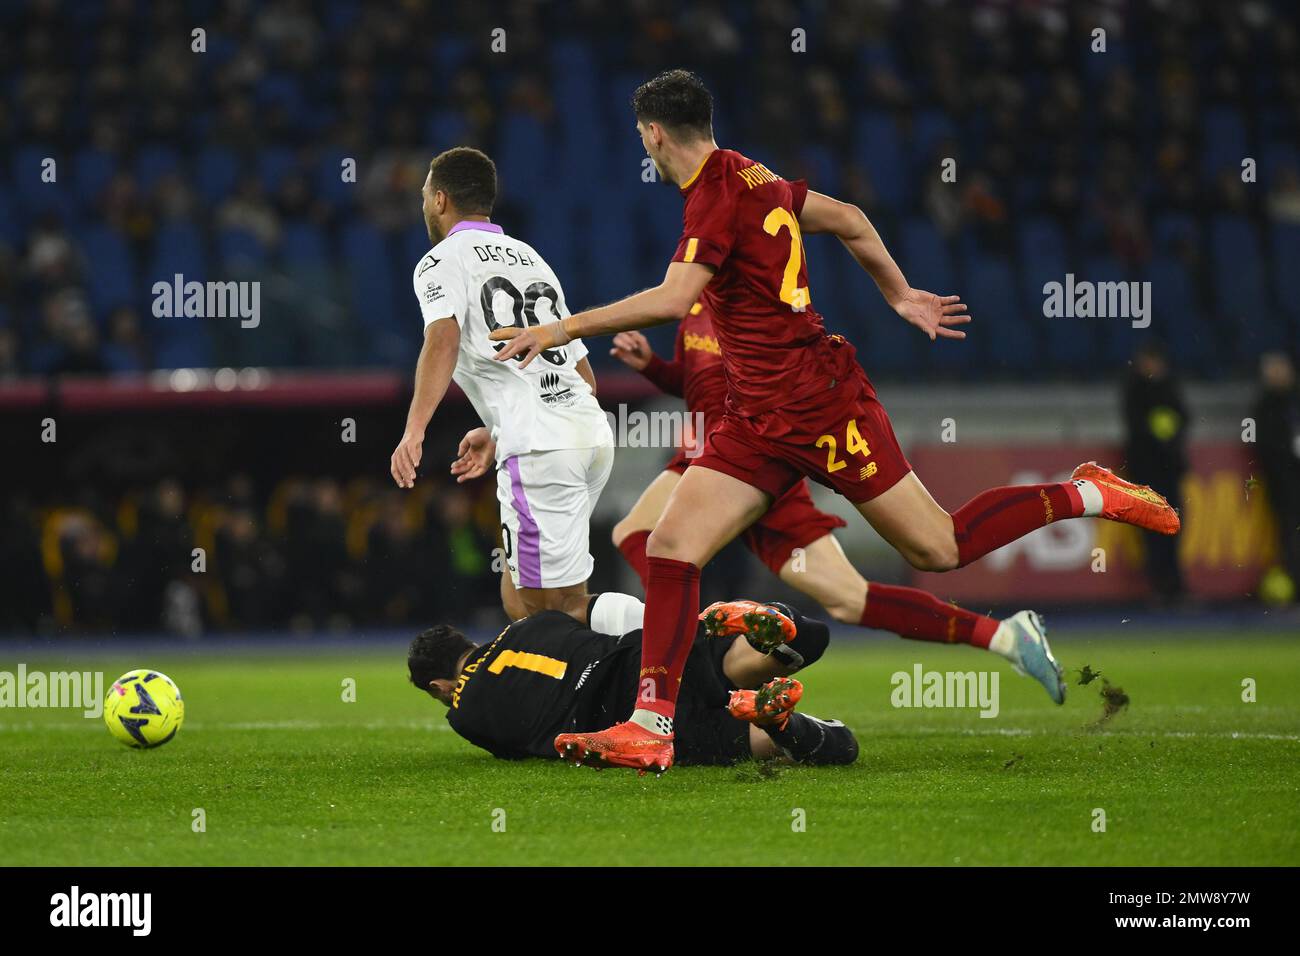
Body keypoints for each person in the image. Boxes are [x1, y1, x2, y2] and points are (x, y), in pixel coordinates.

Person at [490, 70, 1180, 772]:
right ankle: (650, 723)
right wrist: (900, 294)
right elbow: (849, 216)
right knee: (670, 548)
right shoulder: (755, 177)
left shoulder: (716, 195)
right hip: (757, 419)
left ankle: (1088, 493)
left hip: (821, 405)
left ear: (653, 134)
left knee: (938, 549)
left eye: (642, 135)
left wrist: (559, 327)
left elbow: (675, 299)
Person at [609, 304, 1065, 704]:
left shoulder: (751, 306)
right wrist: (653, 366)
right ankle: (1005, 637)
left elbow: (778, 383)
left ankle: (690, 656)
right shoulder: (695, 303)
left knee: (642, 536)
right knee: (642, 535)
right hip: (714, 457)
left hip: (751, 460)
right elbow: (698, 383)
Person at [390, 146, 636, 631]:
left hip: (542, 444)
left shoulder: (439, 261)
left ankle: (689, 648)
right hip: (584, 433)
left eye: (423, 195)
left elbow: (442, 339)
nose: (423, 205)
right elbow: (581, 372)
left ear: (439, 200)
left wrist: (414, 429)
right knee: (521, 601)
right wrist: (497, 429)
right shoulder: (531, 257)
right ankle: (597, 692)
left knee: (554, 608)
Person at [407, 596, 859, 769]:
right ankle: (773, 637)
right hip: (642, 657)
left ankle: (778, 726)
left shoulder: (462, 713)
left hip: (620, 718)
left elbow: (514, 745)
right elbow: (596, 607)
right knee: (743, 661)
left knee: (822, 746)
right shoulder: (531, 623)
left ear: (437, 687)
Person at [1122, 341, 1189, 600]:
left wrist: (1167, 436)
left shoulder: (1169, 386)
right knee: (1152, 531)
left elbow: (1184, 417)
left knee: (1174, 526)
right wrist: (1159, 434)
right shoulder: (1135, 389)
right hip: (1148, 472)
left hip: (1169, 469)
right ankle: (1160, 586)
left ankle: (1175, 585)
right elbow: (1136, 426)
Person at [1253, 352, 1300, 597]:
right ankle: (1295, 582)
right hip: (1283, 483)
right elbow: (1261, 443)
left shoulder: (1293, 399)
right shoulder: (1265, 405)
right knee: (1290, 533)